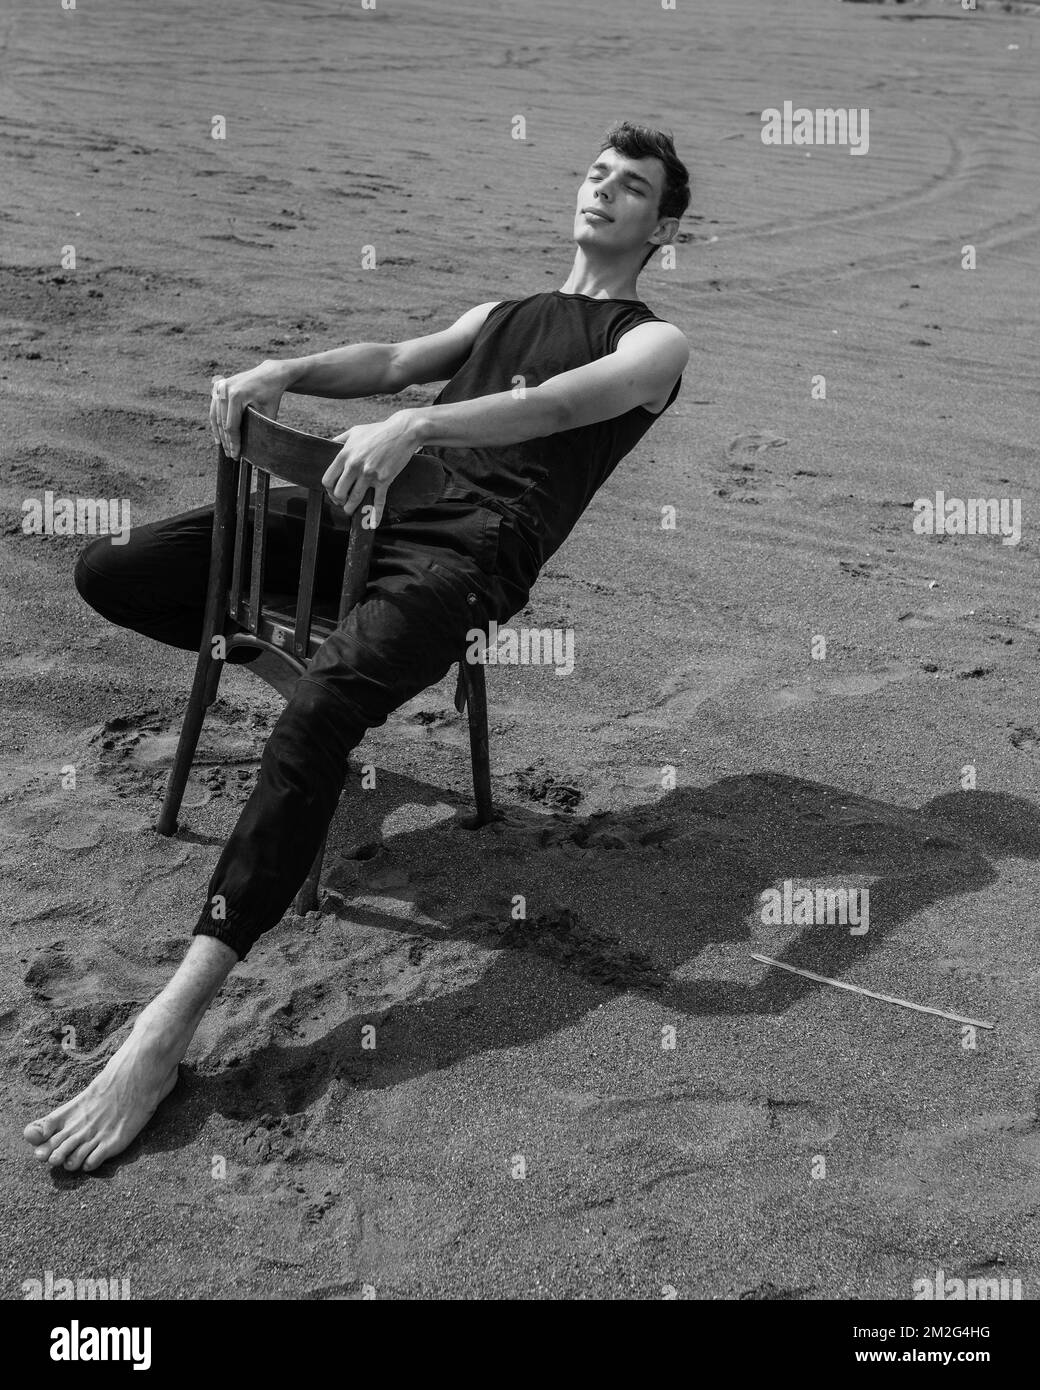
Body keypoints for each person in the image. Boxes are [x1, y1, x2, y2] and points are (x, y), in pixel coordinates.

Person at [24, 121, 690, 1173]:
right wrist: (280, 369)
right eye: (597, 173)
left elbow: (556, 406)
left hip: (463, 560)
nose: (604, 192)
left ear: (666, 226)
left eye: (632, 186)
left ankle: (164, 1030)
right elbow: (387, 361)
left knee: (321, 711)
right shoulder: (504, 311)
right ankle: (285, 682)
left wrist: (418, 428)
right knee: (115, 570)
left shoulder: (651, 343)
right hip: (364, 519)